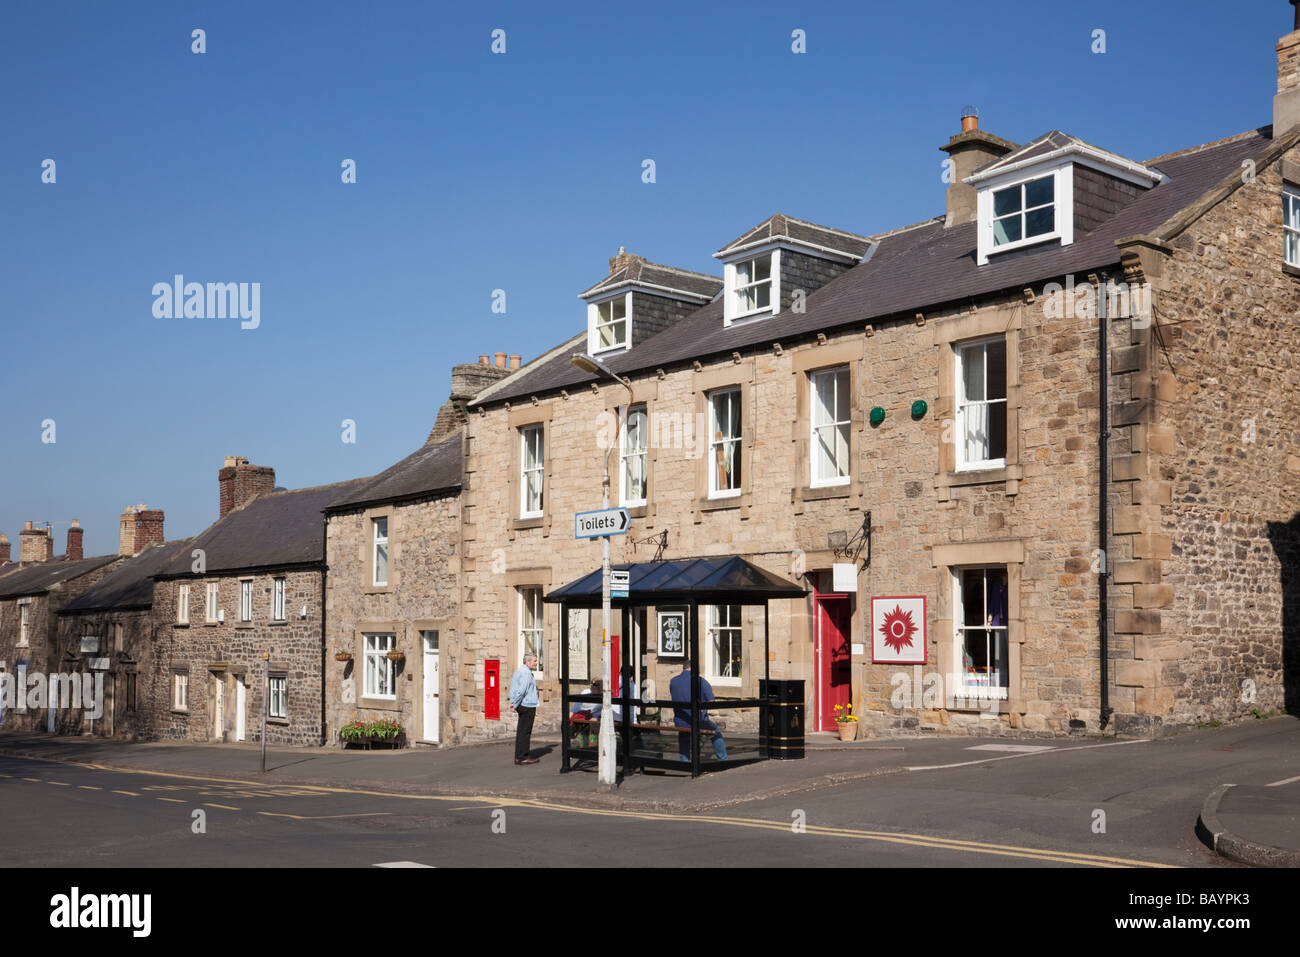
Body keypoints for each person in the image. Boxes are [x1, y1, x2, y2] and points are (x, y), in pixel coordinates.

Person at [669, 662, 727, 763]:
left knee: (684, 735)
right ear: (693, 668)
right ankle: (723, 760)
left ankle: (684, 761)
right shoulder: (700, 681)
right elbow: (711, 701)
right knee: (716, 732)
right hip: (698, 721)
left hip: (680, 720)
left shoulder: (673, 681)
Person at [509, 653, 540, 765]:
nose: (536, 663)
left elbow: (513, 688)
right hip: (527, 705)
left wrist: (513, 702)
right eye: (534, 661)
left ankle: (518, 757)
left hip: (523, 705)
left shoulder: (519, 671)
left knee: (521, 731)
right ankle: (524, 757)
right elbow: (522, 690)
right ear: (527, 662)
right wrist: (515, 704)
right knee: (525, 732)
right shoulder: (526, 673)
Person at [570, 678, 602, 747]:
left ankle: (592, 746)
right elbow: (576, 706)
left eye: (595, 684)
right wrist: (569, 718)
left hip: (595, 718)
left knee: (593, 723)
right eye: (591, 684)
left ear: (600, 686)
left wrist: (596, 717)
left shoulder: (603, 695)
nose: (592, 686)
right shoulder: (585, 692)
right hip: (583, 716)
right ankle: (583, 745)